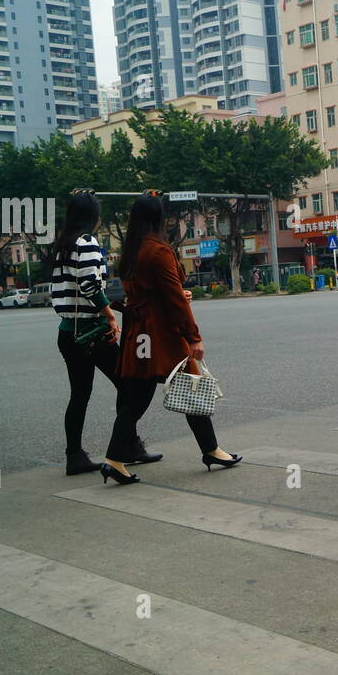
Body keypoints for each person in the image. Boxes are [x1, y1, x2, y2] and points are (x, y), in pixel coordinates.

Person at [101, 194, 241, 485]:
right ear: (158, 219)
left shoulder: (131, 251)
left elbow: (147, 294)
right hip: (161, 334)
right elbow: (174, 298)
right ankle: (211, 450)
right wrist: (194, 337)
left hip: (138, 334)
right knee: (190, 386)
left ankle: (114, 458)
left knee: (135, 400)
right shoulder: (158, 251)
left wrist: (173, 296)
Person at [49, 190, 160, 476]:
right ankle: (128, 446)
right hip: (92, 331)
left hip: (68, 331)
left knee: (80, 395)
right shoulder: (86, 242)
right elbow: (89, 285)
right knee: (128, 385)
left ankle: (74, 455)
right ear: (92, 217)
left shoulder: (61, 245)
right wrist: (110, 315)